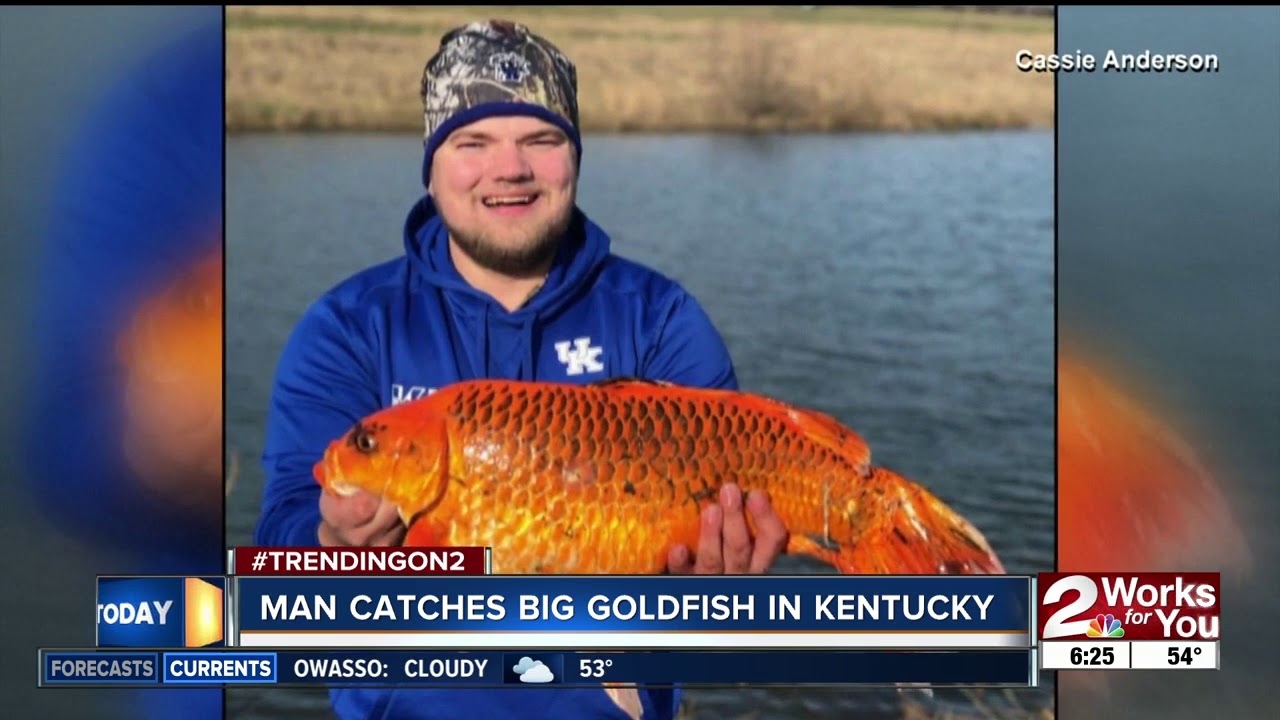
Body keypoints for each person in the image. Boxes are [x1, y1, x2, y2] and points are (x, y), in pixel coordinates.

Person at [255, 19, 789, 719]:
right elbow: (282, 551)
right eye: (472, 143)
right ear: (433, 163)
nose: (510, 169)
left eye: (541, 140)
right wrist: (329, 545)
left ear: (574, 157)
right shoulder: (351, 327)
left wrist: (725, 582)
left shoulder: (660, 319)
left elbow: (726, 551)